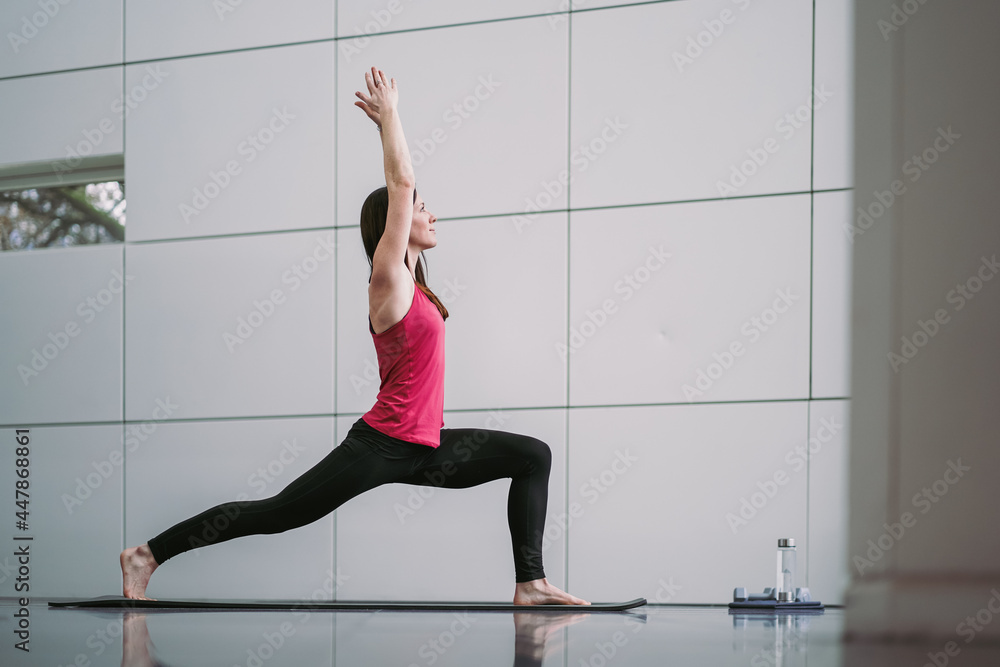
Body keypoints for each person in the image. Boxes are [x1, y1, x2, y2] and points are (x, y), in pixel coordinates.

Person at [120, 66, 589, 606]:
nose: (431, 214)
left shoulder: (419, 287)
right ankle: (147, 555)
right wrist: (389, 118)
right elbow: (401, 183)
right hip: (381, 444)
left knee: (533, 455)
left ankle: (529, 584)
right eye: (420, 210)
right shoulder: (387, 281)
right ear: (394, 221)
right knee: (278, 513)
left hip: (426, 446)